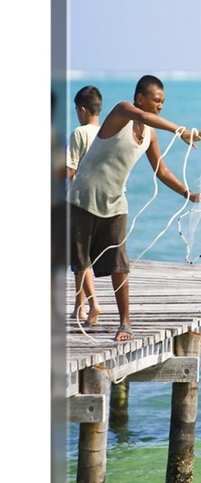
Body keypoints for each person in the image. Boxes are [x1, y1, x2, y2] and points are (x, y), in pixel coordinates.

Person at [67, 74, 201, 342]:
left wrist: (189, 194)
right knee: (80, 262)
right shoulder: (122, 110)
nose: (160, 105)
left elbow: (162, 170)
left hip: (115, 203)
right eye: (156, 100)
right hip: (83, 198)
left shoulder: (150, 135)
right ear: (140, 99)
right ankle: (83, 309)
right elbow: (145, 118)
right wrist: (180, 130)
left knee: (119, 264)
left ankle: (125, 323)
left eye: (163, 101)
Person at [66, 85, 103, 325]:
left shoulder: (79, 133)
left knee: (81, 259)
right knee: (83, 257)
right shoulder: (106, 135)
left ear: (81, 110)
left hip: (80, 201)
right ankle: (79, 307)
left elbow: (70, 171)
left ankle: (93, 304)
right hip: (103, 201)